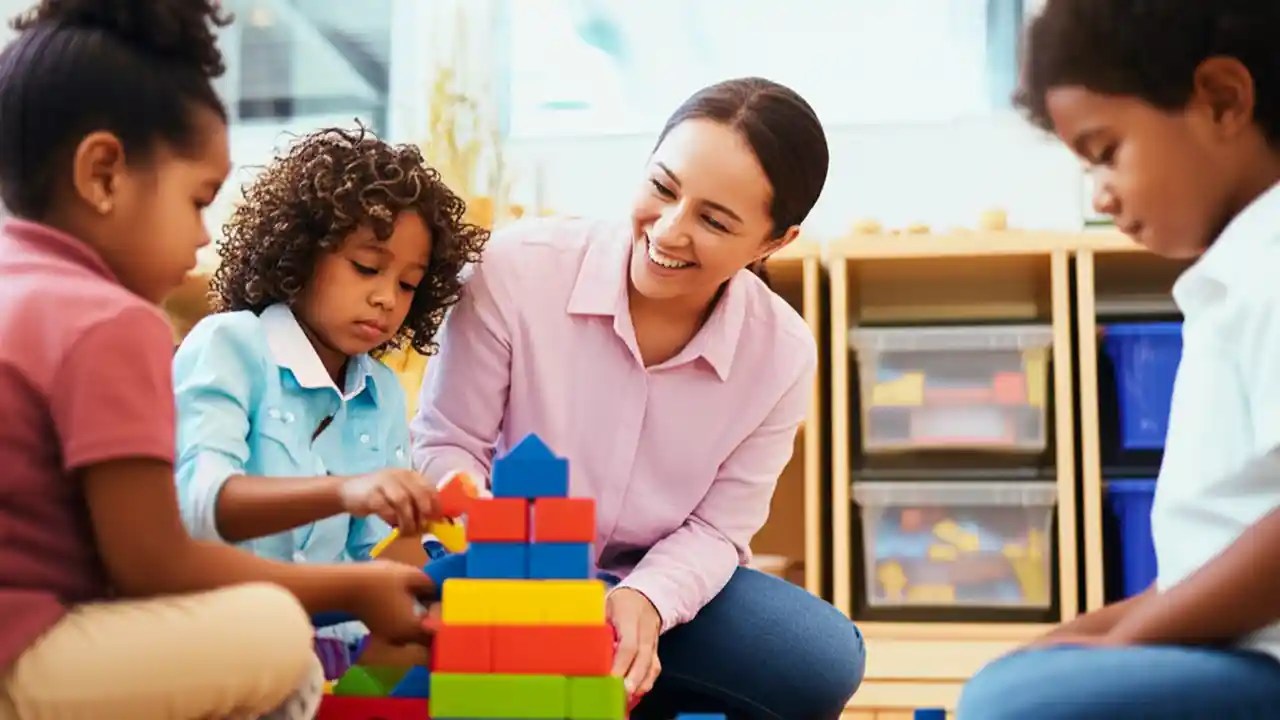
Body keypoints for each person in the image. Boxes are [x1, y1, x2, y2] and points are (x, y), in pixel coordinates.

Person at [0, 1, 436, 717]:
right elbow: (154, 562)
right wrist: (352, 589)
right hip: (24, 651)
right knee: (272, 641)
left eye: (409, 284)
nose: (203, 238)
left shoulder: (20, 286)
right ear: (104, 174)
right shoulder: (114, 321)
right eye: (198, 200)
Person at [412, 76, 865, 719]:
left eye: (714, 220)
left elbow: (717, 528)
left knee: (820, 659)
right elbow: (447, 442)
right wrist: (512, 551)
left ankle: (622, 671)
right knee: (417, 633)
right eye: (662, 188)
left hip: (650, 587)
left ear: (773, 242)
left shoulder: (781, 354)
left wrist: (647, 601)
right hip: (506, 569)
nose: (670, 231)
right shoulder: (516, 269)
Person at [958, 2, 1280, 718]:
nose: (1100, 195)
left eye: (1106, 153)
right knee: (1018, 678)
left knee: (1013, 706)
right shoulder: (1238, 273)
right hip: (1244, 650)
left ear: (1223, 101)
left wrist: (1125, 641)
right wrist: (1082, 636)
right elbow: (1210, 571)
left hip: (1262, 665)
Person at [172, 124, 488, 663]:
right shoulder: (230, 346)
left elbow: (369, 554)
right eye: (366, 267)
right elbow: (199, 505)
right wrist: (347, 489)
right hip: (221, 637)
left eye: (408, 284)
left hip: (336, 647)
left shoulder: (382, 392)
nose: (387, 298)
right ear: (300, 251)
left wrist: (436, 547)